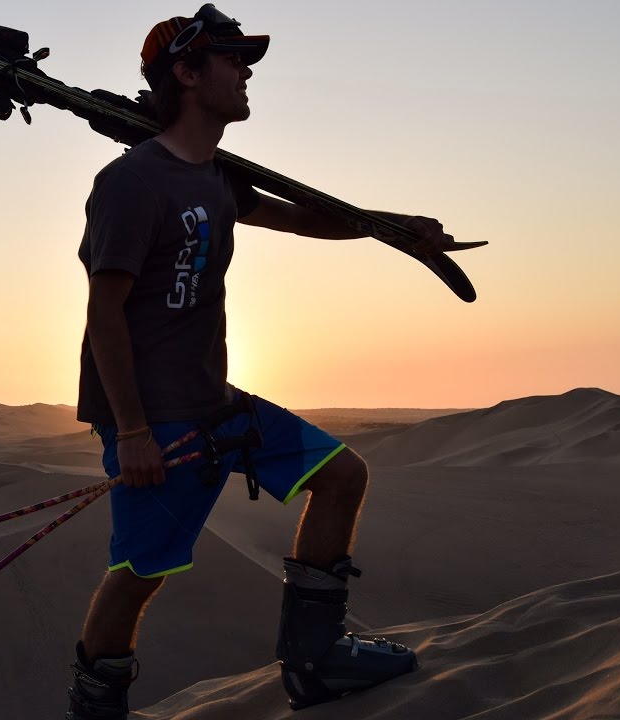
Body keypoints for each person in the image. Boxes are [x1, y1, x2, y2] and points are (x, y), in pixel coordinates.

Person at [66, 5, 453, 717]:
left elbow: (305, 217)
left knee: (341, 477)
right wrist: (131, 432)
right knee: (139, 573)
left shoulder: (218, 179)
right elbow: (104, 315)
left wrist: (394, 229)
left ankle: (315, 658)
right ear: (186, 73)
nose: (246, 74)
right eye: (231, 61)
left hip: (219, 404)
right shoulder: (131, 183)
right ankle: (94, 708)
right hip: (159, 420)